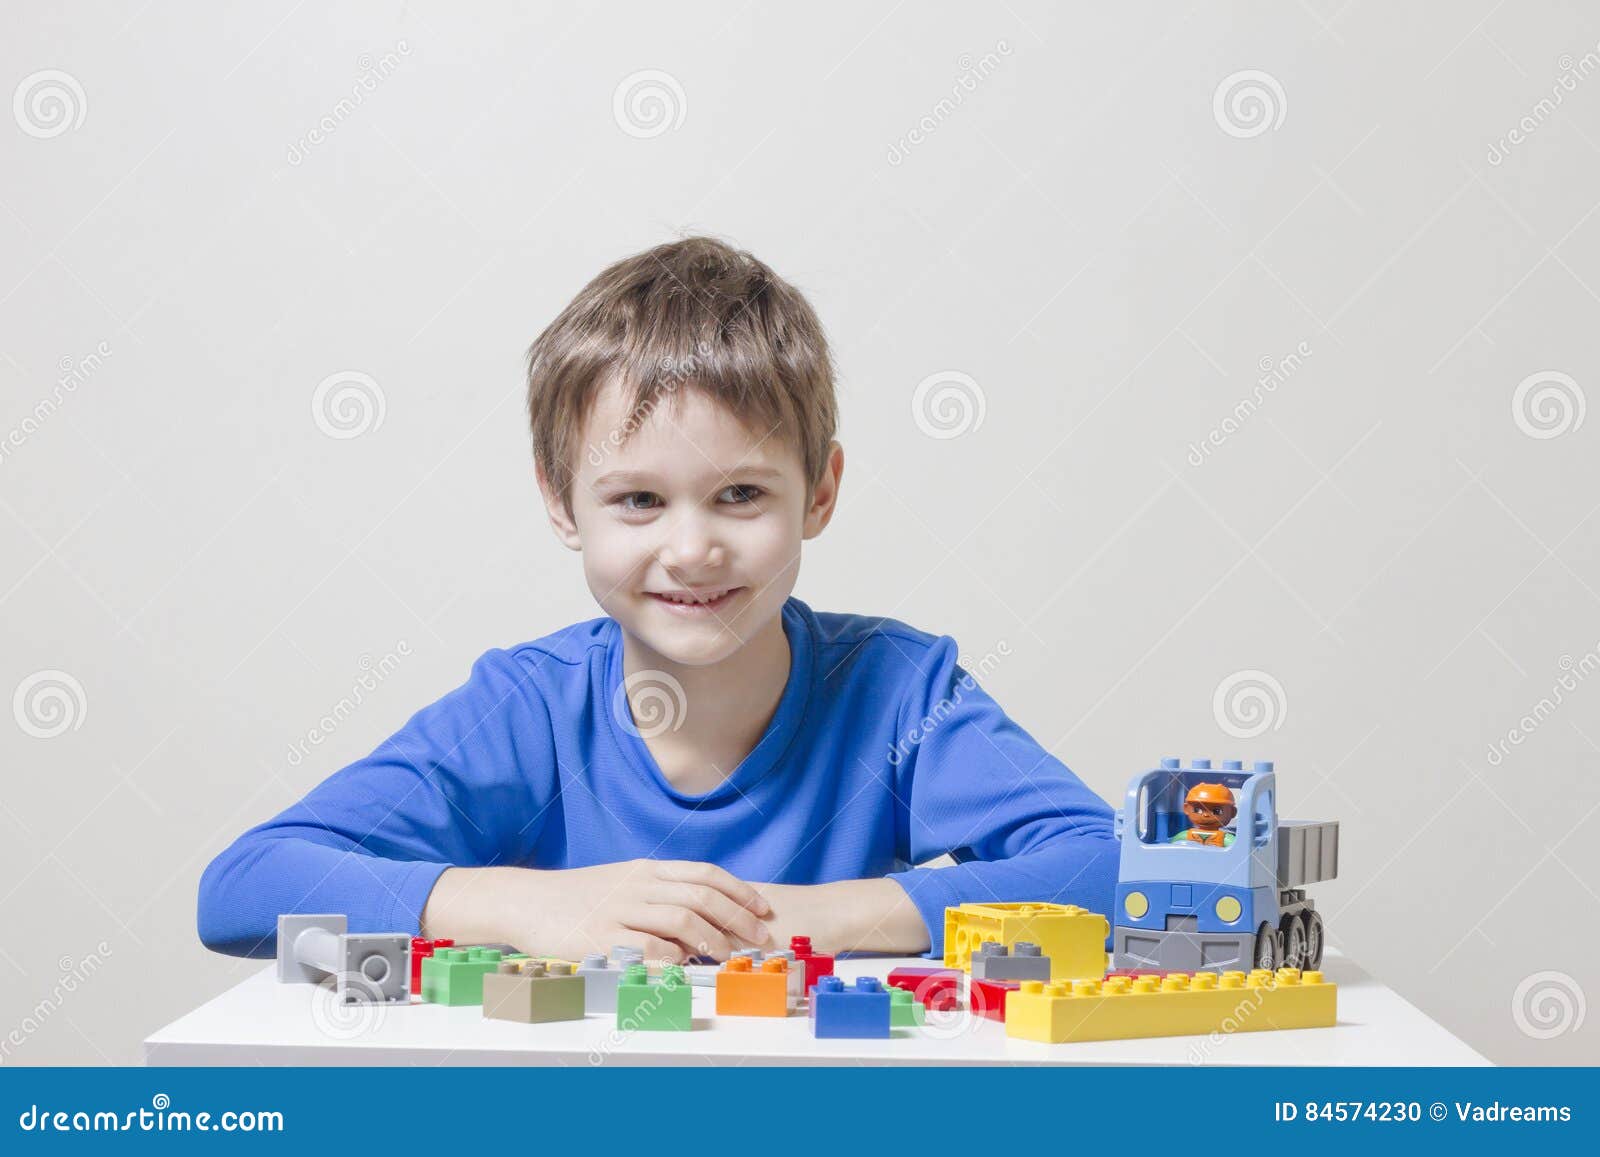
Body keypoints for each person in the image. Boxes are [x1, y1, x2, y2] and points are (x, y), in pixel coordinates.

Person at [197, 236, 1118, 964]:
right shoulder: (531, 708)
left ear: (821, 492)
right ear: (562, 503)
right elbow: (241, 886)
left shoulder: (899, 691)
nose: (691, 550)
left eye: (740, 494)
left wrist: (828, 916)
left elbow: (1114, 870)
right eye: (639, 499)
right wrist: (523, 904)